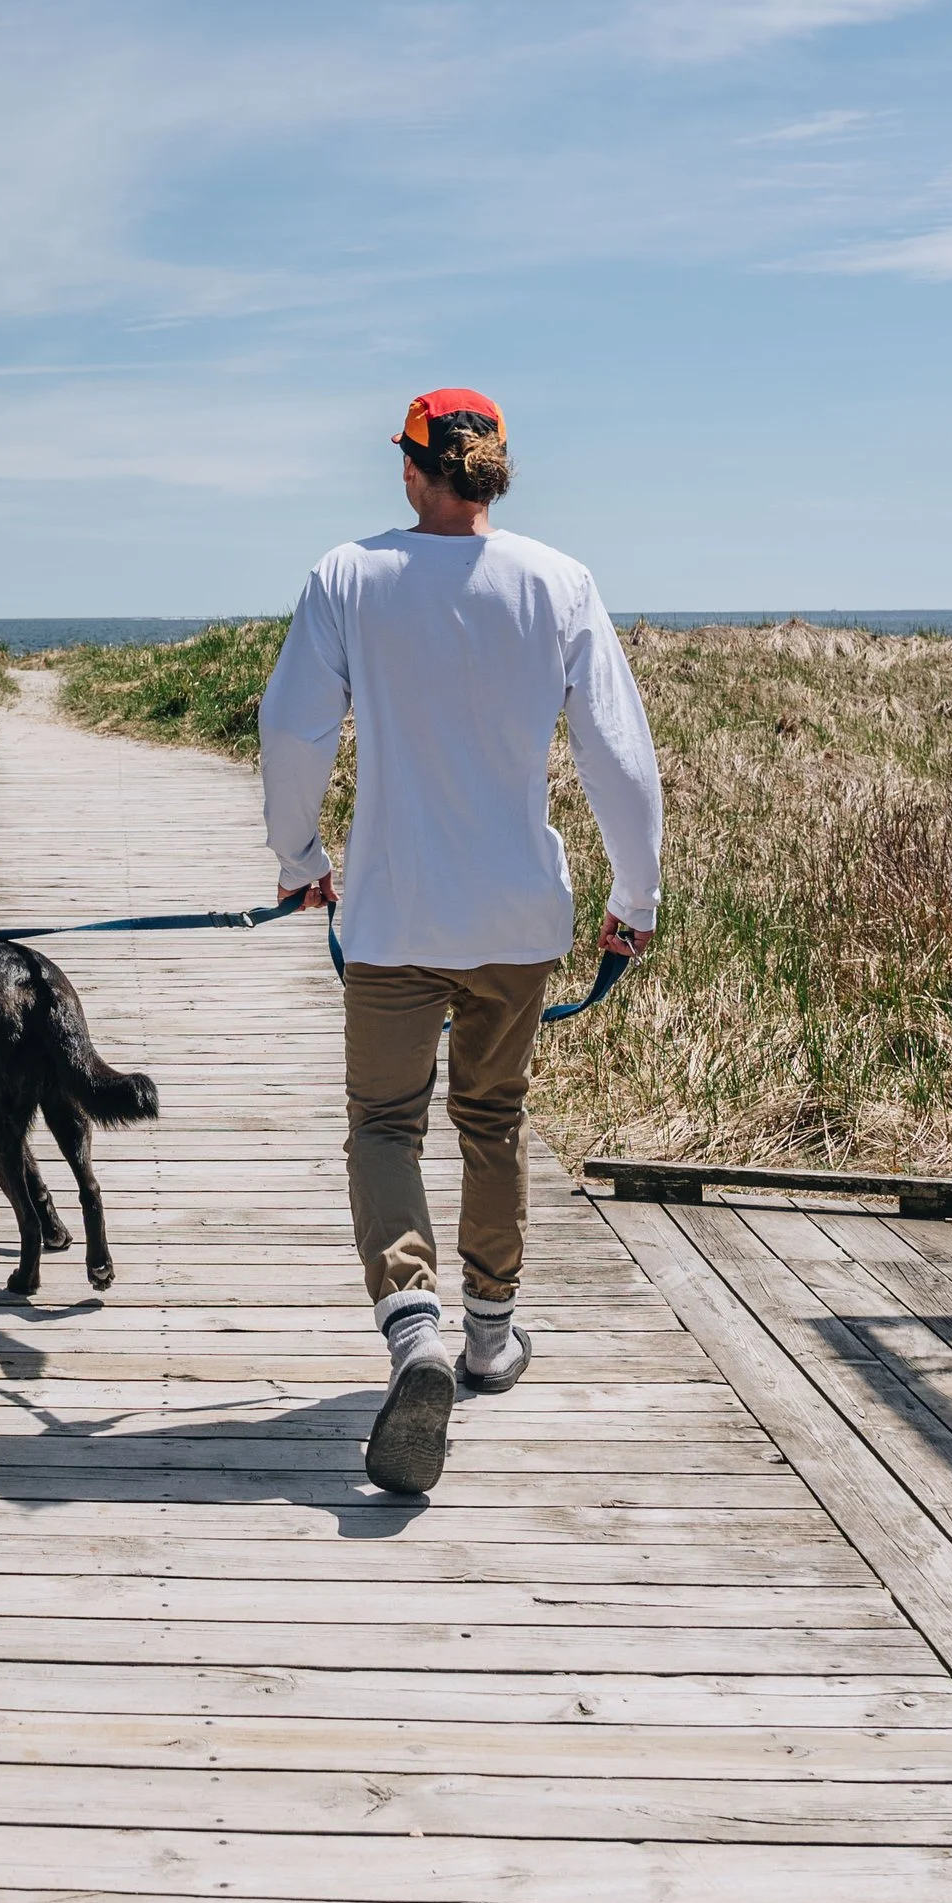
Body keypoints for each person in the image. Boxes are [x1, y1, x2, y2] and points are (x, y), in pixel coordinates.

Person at [258, 387, 663, 1497]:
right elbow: (618, 755)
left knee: (384, 1124)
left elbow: (292, 729)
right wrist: (638, 893)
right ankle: (488, 1337)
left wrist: (299, 861)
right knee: (493, 1116)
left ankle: (411, 1333)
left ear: (410, 470)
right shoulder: (559, 583)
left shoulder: (349, 576)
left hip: (392, 914)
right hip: (515, 918)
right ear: (493, 471)